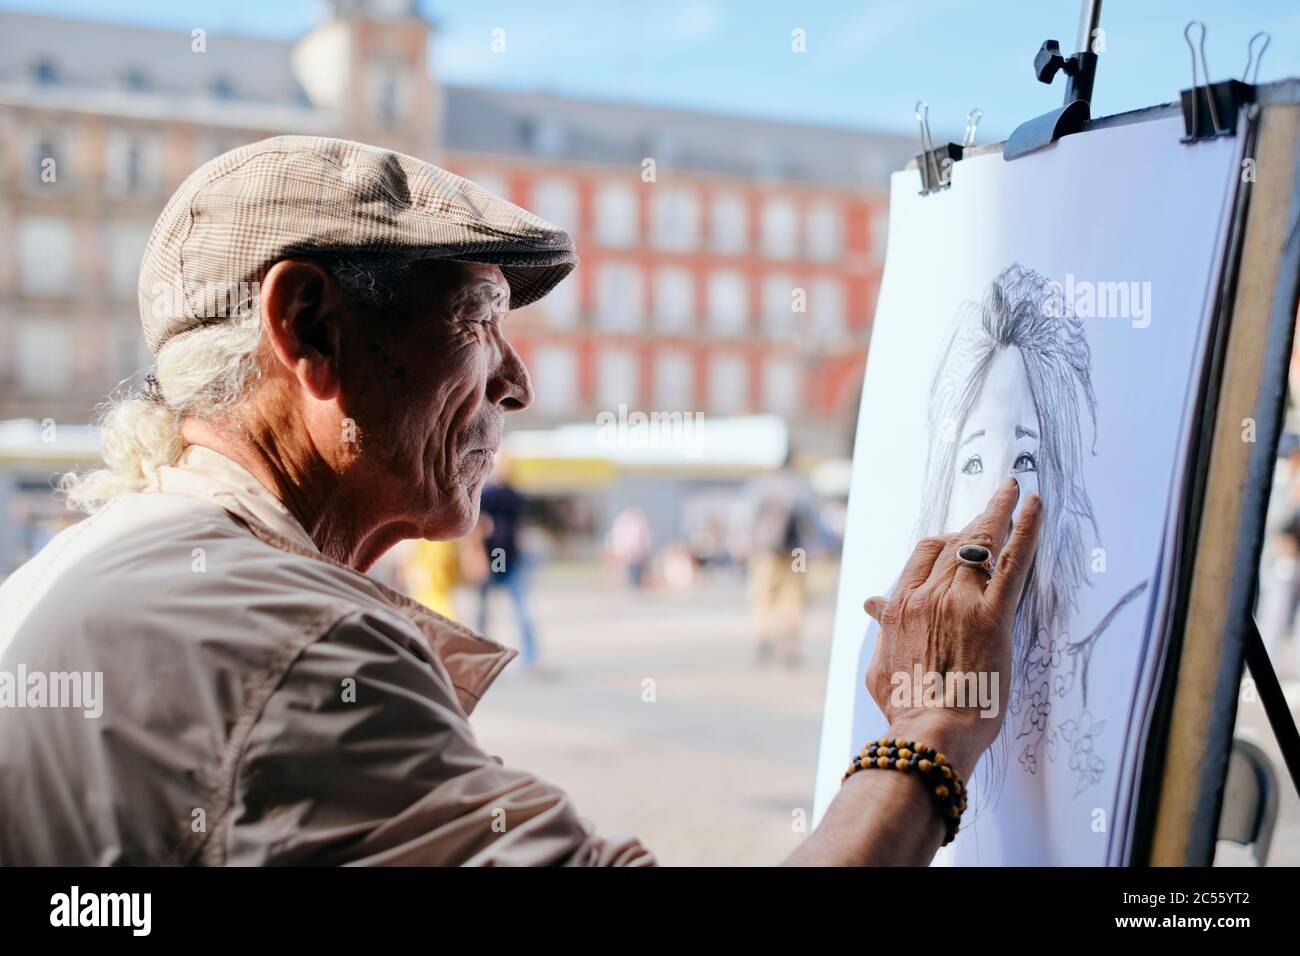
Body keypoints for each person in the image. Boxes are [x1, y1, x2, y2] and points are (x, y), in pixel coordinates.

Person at [0, 135, 1040, 866]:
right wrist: (931, 728)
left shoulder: (102, 565)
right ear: (310, 328)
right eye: (482, 316)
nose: (518, 382)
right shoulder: (280, 642)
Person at [476, 454, 544, 671]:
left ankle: (532, 659)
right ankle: (482, 658)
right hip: (490, 558)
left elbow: (520, 529)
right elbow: (477, 528)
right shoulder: (484, 495)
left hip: (511, 559)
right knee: (484, 612)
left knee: (521, 609)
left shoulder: (515, 496)